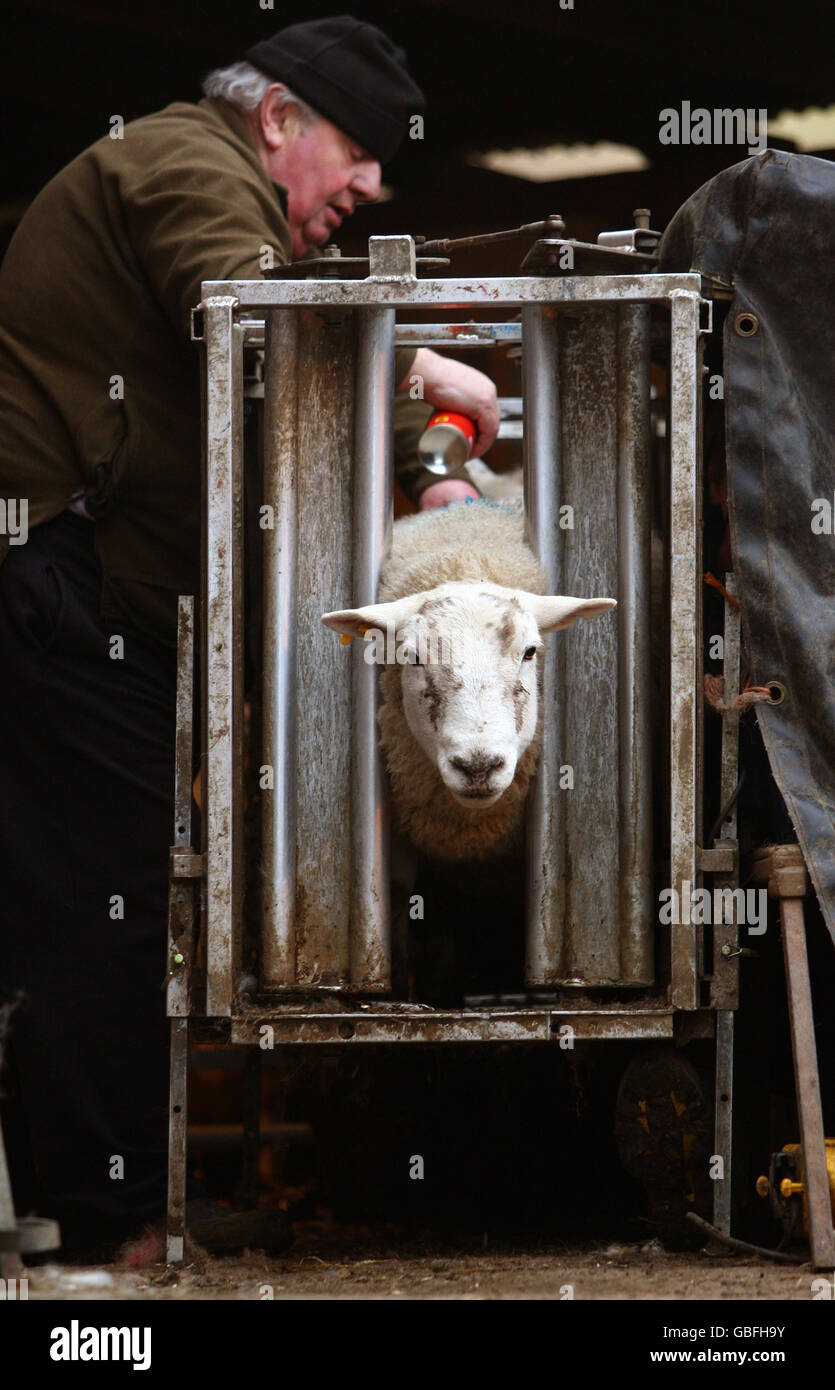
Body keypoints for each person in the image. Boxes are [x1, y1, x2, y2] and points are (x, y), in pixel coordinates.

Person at [0, 15, 497, 1260]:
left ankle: (99, 1207)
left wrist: (429, 463)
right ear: (277, 120)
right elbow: (259, 330)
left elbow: (273, 343)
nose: (376, 183)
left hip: (104, 588)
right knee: (104, 902)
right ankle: (102, 1229)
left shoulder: (215, 179)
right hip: (67, 581)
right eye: (361, 152)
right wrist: (433, 383)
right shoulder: (184, 166)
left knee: (102, 897)